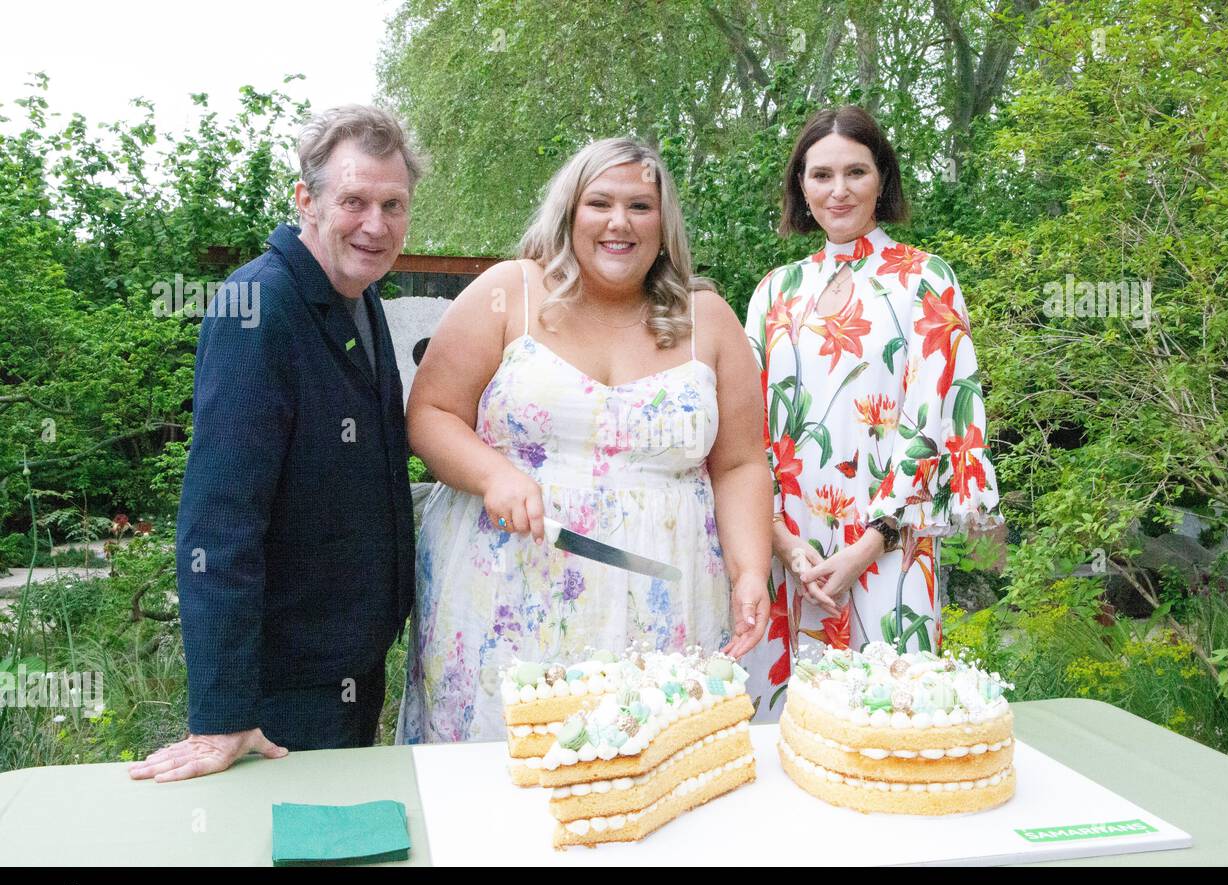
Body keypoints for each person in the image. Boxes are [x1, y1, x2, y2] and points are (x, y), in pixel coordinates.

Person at [397, 137, 770, 743]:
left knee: (647, 774)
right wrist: (493, 474)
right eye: (600, 203)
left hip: (666, 596)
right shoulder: (507, 292)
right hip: (507, 587)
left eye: (640, 206)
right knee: (503, 771)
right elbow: (432, 414)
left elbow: (740, 465)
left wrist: (750, 567)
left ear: (663, 222)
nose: (619, 222)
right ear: (570, 212)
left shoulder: (710, 319)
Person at [129, 105, 424, 782]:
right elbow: (219, 522)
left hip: (347, 667)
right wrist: (224, 712)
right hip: (280, 697)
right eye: (354, 201)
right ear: (306, 201)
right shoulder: (258, 307)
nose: (375, 225)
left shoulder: (358, 294)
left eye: (393, 204)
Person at [744, 106, 1003, 719]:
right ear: (800, 188)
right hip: (791, 554)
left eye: (855, 172)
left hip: (891, 549)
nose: (838, 191)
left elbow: (935, 422)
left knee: (892, 724)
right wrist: (782, 542)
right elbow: (744, 432)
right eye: (821, 175)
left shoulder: (923, 280)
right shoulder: (774, 292)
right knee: (793, 732)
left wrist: (869, 544)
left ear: (881, 179)